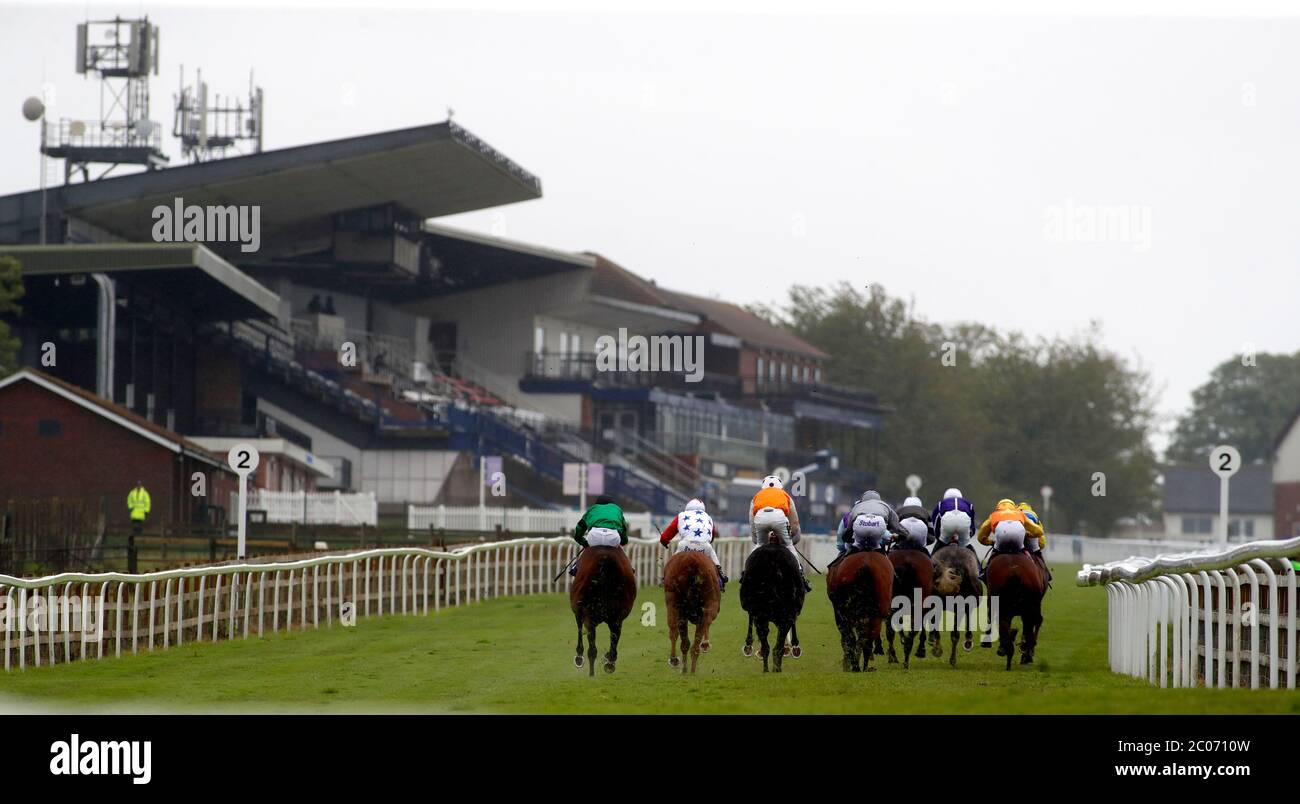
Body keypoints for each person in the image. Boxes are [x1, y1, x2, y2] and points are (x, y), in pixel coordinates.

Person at [748, 475, 811, 593]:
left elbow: (752, 522)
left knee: (759, 546)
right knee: (789, 546)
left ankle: (746, 573)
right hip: (779, 519)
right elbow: (795, 522)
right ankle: (801, 576)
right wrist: (791, 537)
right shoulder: (785, 495)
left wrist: (757, 540)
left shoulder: (756, 497)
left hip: (760, 519)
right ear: (780, 486)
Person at [659, 498, 727, 591]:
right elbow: (712, 537)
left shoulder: (681, 515)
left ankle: (666, 579)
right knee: (713, 557)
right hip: (705, 546)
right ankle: (721, 577)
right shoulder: (708, 517)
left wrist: (664, 542)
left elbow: (666, 536)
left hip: (685, 546)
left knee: (670, 565)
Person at [976, 498, 1045, 578]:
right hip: (1019, 532)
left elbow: (981, 537)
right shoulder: (1019, 514)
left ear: (998, 507)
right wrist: (1029, 535)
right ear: (1013, 507)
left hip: (1002, 532)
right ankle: (1037, 569)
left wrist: (991, 542)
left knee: (995, 552)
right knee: (1023, 551)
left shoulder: (994, 515)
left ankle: (985, 574)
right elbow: (1039, 532)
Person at [568, 494, 629, 576]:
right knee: (620, 551)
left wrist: (584, 543)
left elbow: (580, 527)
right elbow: (624, 529)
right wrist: (623, 541)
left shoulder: (592, 509)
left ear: (597, 504)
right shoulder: (617, 509)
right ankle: (628, 569)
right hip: (613, 537)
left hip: (594, 536)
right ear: (612, 504)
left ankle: (576, 568)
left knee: (588, 551)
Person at [837, 490, 904, 556]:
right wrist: (900, 536)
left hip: (855, 538)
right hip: (877, 535)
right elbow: (888, 532)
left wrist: (847, 539)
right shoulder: (883, 508)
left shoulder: (853, 511)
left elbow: (841, 542)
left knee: (851, 547)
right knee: (879, 548)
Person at [931, 487, 977, 552]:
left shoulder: (940, 504)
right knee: (968, 547)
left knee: (939, 545)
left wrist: (940, 539)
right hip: (963, 523)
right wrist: (965, 538)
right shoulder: (969, 504)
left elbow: (935, 525)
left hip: (948, 524)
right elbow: (972, 527)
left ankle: (930, 561)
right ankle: (977, 562)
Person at [1018, 501, 1052, 583]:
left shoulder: (1015, 512)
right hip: (1032, 532)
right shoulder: (1033, 514)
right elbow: (1041, 536)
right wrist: (1039, 546)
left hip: (1017, 531)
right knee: (1036, 551)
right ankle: (1046, 574)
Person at [126, 480, 151, 574]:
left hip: (140, 514)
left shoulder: (144, 494)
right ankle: (136, 541)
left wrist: (146, 511)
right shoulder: (132, 493)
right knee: (134, 530)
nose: (138, 486)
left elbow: (147, 502)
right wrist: (131, 507)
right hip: (134, 514)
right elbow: (129, 500)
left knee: (139, 530)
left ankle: (139, 541)